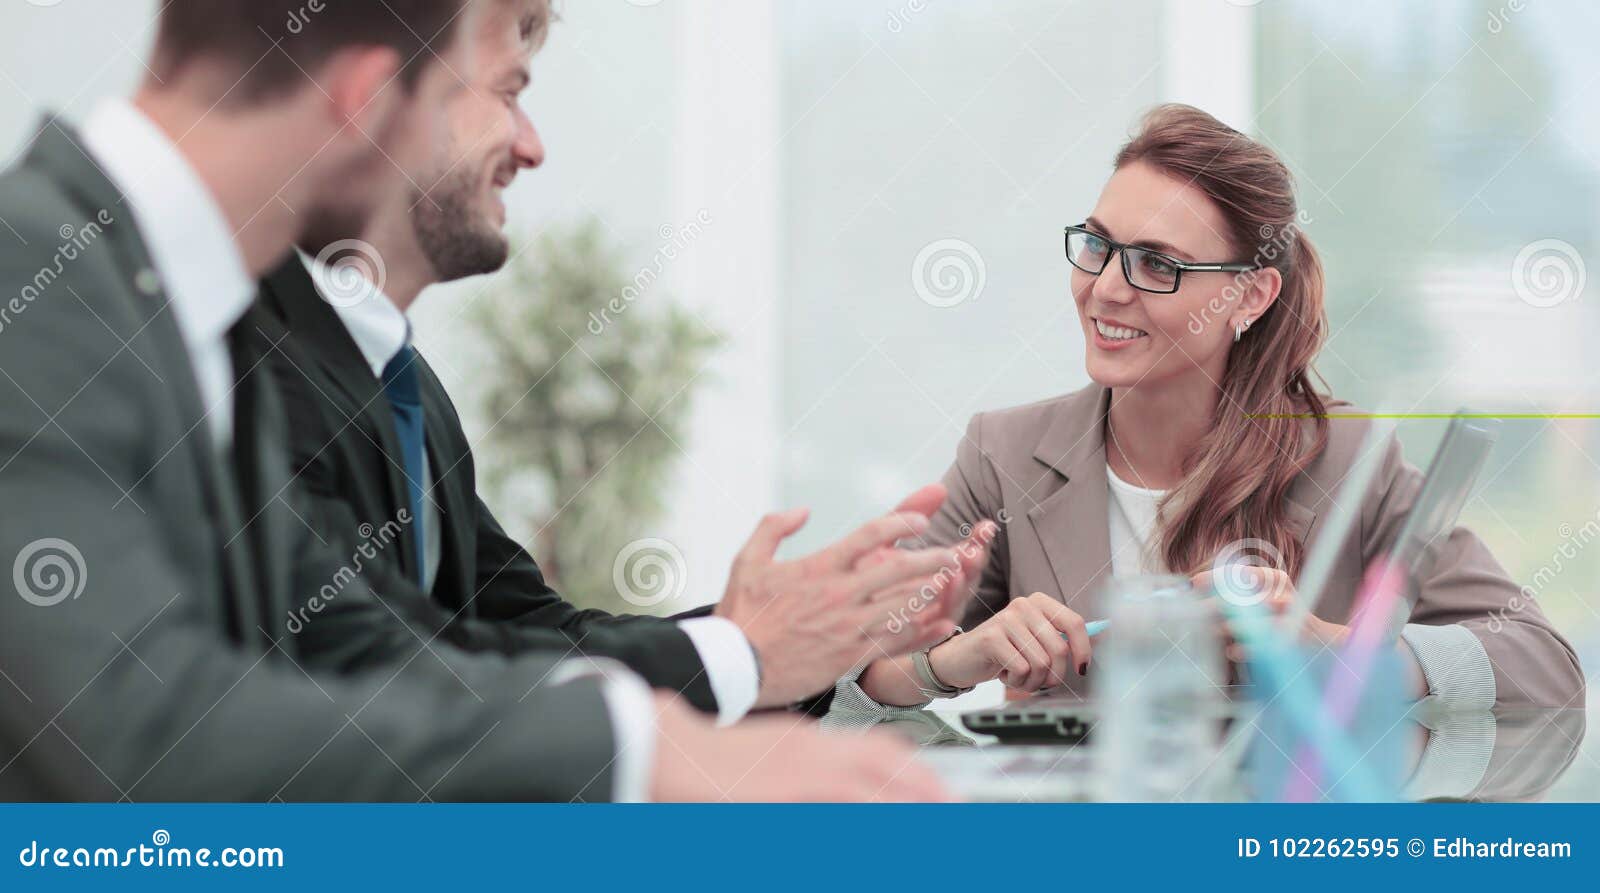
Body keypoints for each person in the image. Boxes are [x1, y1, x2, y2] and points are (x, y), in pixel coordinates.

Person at [0, 0, 956, 802]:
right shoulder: (37, 282)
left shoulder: (166, 303)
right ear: (363, 104)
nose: (527, 147)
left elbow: (360, 646)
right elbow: (138, 728)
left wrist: (692, 702)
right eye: (478, 94)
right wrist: (640, 747)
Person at [251, 0, 994, 725]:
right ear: (377, 98)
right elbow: (388, 678)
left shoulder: (404, 387)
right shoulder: (242, 368)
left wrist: (812, 633)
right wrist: (746, 650)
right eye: (510, 93)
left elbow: (539, 636)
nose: (532, 147)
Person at [838, 104, 1584, 715]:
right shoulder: (1005, 453)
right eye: (1097, 246)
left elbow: (1543, 666)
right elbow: (845, 673)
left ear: (1251, 296)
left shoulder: (1349, 460)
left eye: (1157, 264)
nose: (1105, 289)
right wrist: (951, 662)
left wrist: (1325, 643)